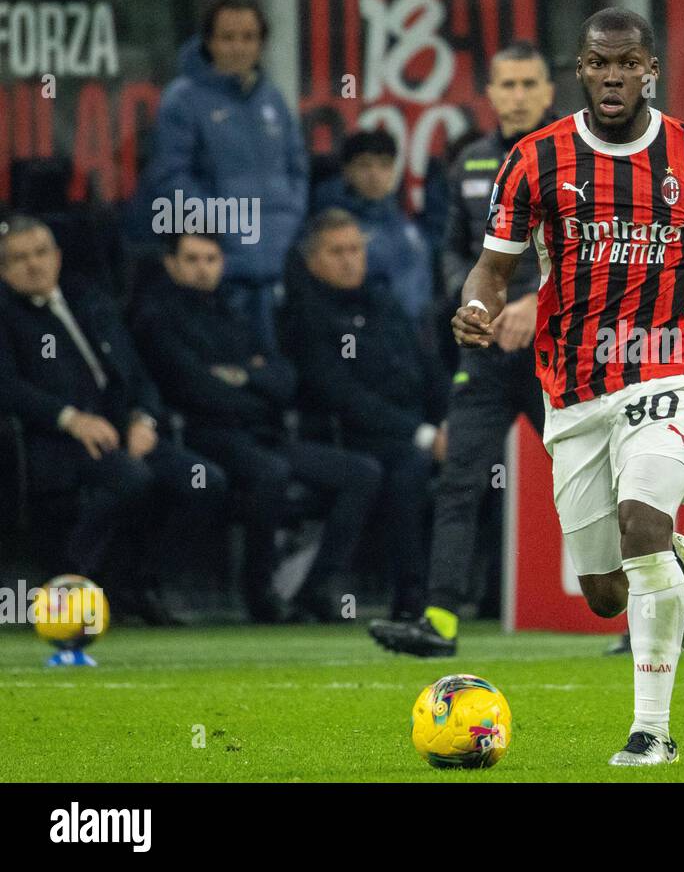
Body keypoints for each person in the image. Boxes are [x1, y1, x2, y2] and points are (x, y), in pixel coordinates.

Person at [369, 7, 684, 767]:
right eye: (597, 63)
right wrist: (479, 305)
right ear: (579, 70)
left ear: (651, 69)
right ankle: (677, 570)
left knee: (642, 524)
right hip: (576, 387)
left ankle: (652, 731)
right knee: (603, 592)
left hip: (671, 367)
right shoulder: (534, 160)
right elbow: (494, 264)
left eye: (627, 64)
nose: (613, 76)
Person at [133, 227, 383, 622]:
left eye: (211, 260)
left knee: (362, 473)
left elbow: (285, 379)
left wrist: (240, 377)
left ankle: (313, 587)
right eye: (192, 260)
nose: (203, 269)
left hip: (263, 433)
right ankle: (260, 592)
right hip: (202, 435)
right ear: (171, 264)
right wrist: (252, 380)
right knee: (269, 473)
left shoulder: (233, 311)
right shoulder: (155, 317)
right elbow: (193, 387)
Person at [398, 43, 554, 647]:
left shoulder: (572, 160)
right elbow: (454, 250)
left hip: (554, 354)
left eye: (528, 84)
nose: (516, 95)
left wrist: (535, 304)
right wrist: (475, 304)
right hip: (485, 354)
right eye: (506, 84)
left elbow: (583, 252)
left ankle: (636, 618)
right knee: (460, 478)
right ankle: (439, 621)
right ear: (489, 93)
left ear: (548, 92)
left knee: (594, 483)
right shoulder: (467, 164)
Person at [0, 215, 227, 624]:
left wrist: (144, 419)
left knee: (203, 479)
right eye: (19, 259)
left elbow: (136, 372)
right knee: (130, 480)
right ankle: (70, 589)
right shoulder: (7, 315)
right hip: (54, 443)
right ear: (3, 270)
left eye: (40, 253)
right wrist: (69, 419)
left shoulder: (89, 300)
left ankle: (139, 583)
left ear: (58, 256)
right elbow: (8, 386)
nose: (33, 265)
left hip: (124, 434)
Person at [280, 209, 449, 621]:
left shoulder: (382, 301)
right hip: (347, 435)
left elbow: (428, 367)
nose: (349, 260)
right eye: (337, 251)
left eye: (355, 249)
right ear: (311, 260)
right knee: (410, 467)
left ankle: (471, 589)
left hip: (415, 430)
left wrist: (450, 420)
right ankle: (411, 600)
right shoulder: (304, 314)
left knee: (481, 461)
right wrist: (423, 434)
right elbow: (339, 394)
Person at [146, 0, 308, 349]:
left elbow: (297, 170)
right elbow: (171, 179)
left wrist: (288, 223)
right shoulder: (183, 99)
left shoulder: (272, 99)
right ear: (209, 41)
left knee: (282, 364)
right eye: (228, 37)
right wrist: (225, 231)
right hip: (224, 270)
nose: (239, 47)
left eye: (249, 37)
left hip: (278, 264)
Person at [311, 128, 434, 324]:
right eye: (364, 165)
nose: (375, 175)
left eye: (384, 166)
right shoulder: (332, 229)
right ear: (347, 171)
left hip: (414, 338)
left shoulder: (406, 226)